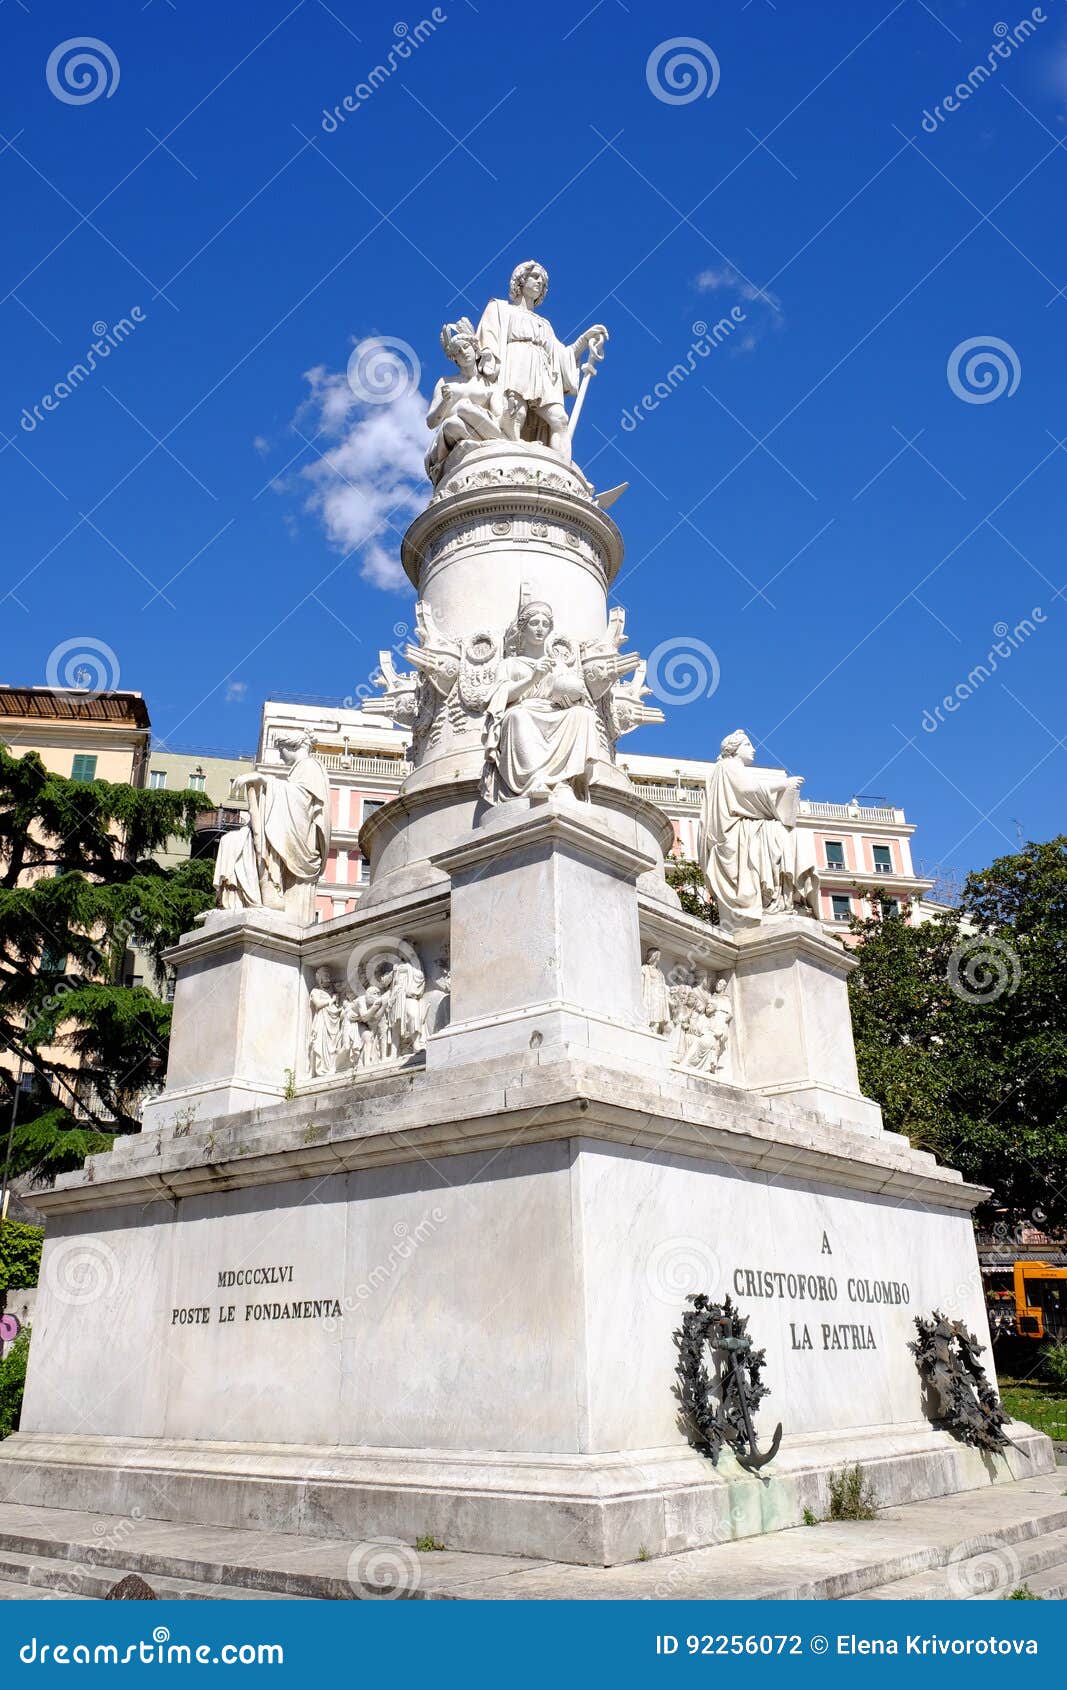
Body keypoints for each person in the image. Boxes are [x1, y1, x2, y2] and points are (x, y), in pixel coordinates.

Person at [476, 262, 607, 460]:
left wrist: (585, 338)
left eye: (542, 281)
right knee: (515, 415)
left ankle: (563, 468)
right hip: (516, 364)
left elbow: (563, 356)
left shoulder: (544, 324)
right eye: (535, 277)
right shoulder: (500, 308)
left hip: (542, 372)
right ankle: (512, 461)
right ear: (520, 280)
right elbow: (488, 337)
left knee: (560, 420)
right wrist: (487, 359)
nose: (540, 282)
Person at [481, 600, 601, 803]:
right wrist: (533, 678)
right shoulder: (510, 664)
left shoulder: (559, 665)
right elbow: (499, 697)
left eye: (545, 625)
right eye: (534, 623)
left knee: (583, 715)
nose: (540, 629)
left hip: (555, 711)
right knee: (517, 716)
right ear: (522, 628)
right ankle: (534, 779)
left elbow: (573, 694)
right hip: (524, 710)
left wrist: (574, 696)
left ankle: (561, 782)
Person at [697, 730, 818, 928]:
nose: (753, 750)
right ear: (734, 750)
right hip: (733, 830)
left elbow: (752, 799)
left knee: (785, 834)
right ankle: (775, 900)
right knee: (784, 834)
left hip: (742, 825)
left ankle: (781, 899)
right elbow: (748, 791)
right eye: (747, 745)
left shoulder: (732, 768)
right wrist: (785, 783)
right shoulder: (727, 766)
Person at [214, 730, 330, 920]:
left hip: (298, 837)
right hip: (287, 828)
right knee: (231, 841)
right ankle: (237, 898)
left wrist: (263, 779)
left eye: (281, 750)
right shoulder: (300, 769)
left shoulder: (311, 766)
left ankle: (267, 890)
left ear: (292, 747)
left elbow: (301, 800)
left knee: (241, 842)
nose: (280, 756)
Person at [424, 318, 504, 484]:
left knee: (462, 408)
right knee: (451, 424)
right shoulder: (446, 382)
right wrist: (444, 403)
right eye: (458, 351)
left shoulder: (490, 384)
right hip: (454, 433)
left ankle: (493, 445)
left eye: (466, 347)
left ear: (475, 348)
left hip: (487, 431)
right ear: (454, 358)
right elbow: (431, 422)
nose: (464, 353)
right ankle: (485, 448)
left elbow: (498, 417)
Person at [642, 948, 672, 1036]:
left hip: (659, 996)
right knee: (651, 1012)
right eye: (657, 955)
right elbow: (642, 982)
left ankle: (655, 1029)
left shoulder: (660, 972)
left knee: (658, 1015)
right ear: (653, 956)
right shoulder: (645, 968)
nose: (659, 958)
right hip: (650, 994)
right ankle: (649, 1027)